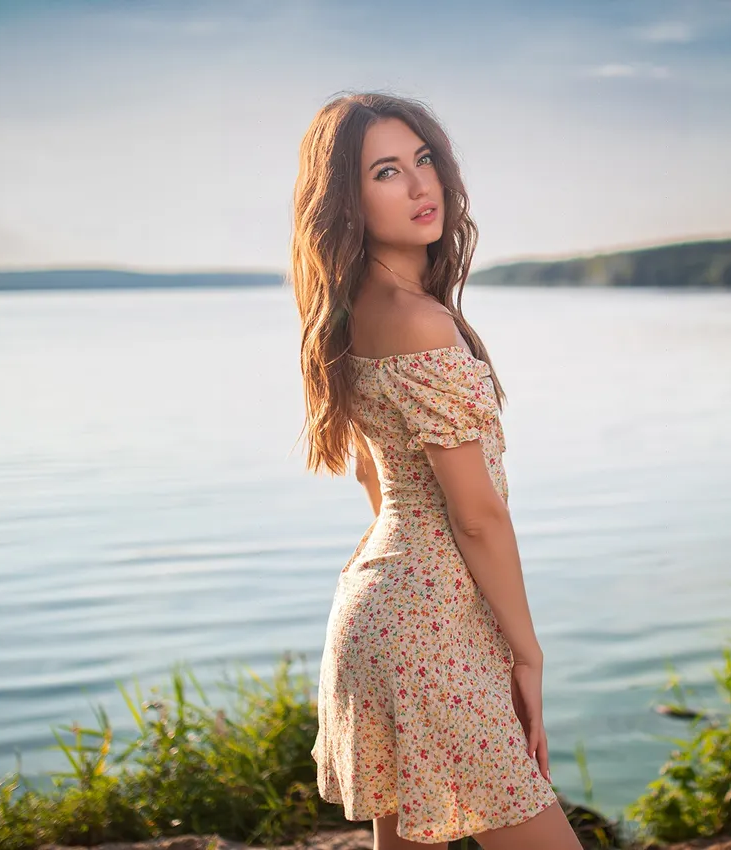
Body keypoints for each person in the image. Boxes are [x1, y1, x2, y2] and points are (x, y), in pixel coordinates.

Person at [289, 92, 583, 850]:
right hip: (434, 630)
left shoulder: (354, 311)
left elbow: (372, 479)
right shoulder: (420, 321)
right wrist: (527, 654)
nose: (422, 186)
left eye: (425, 161)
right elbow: (477, 516)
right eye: (387, 171)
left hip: (379, 611)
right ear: (346, 201)